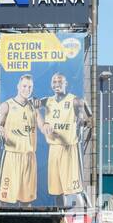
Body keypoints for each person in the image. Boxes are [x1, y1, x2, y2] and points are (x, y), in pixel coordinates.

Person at [40, 72, 86, 200]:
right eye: (54, 82)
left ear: (66, 84)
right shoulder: (46, 101)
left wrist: (82, 118)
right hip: (54, 148)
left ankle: (75, 213)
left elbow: (86, 112)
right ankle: (60, 216)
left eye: (60, 82)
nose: (57, 84)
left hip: (69, 147)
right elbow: (31, 105)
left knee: (72, 188)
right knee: (56, 189)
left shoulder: (74, 100)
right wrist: (43, 123)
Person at [0, 74, 38, 204]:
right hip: (12, 156)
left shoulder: (33, 107)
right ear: (18, 86)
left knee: (27, 200)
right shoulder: (7, 105)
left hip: (29, 156)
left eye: (30, 87)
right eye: (24, 86)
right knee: (7, 199)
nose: (27, 89)